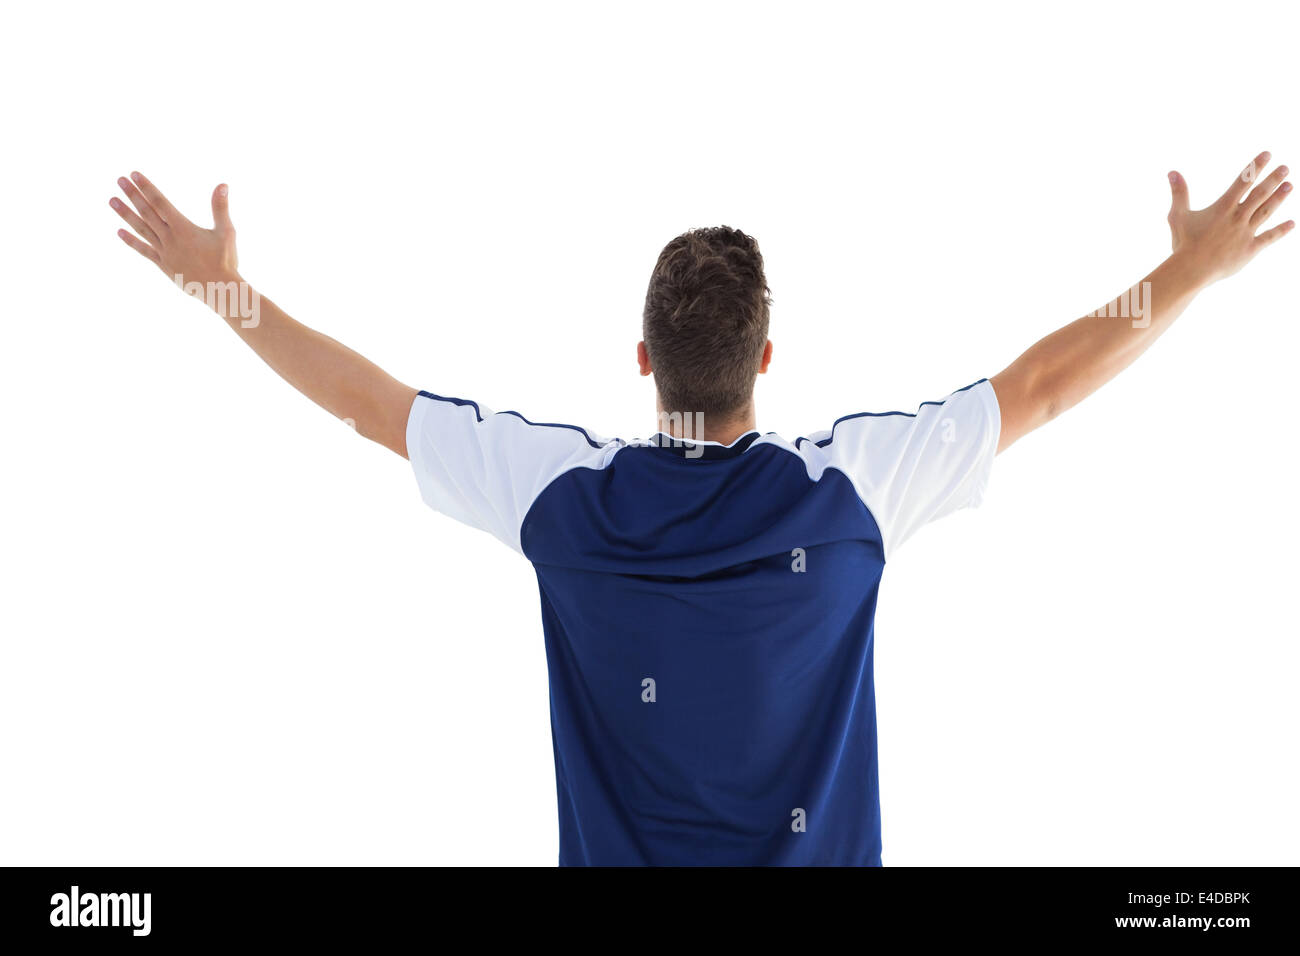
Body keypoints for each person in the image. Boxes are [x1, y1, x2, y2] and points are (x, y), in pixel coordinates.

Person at [110, 154, 1292, 865]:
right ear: (766, 355)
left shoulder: (558, 495)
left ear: (641, 357)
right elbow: (1041, 385)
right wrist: (1192, 269)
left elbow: (369, 406)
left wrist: (215, 282)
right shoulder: (852, 491)